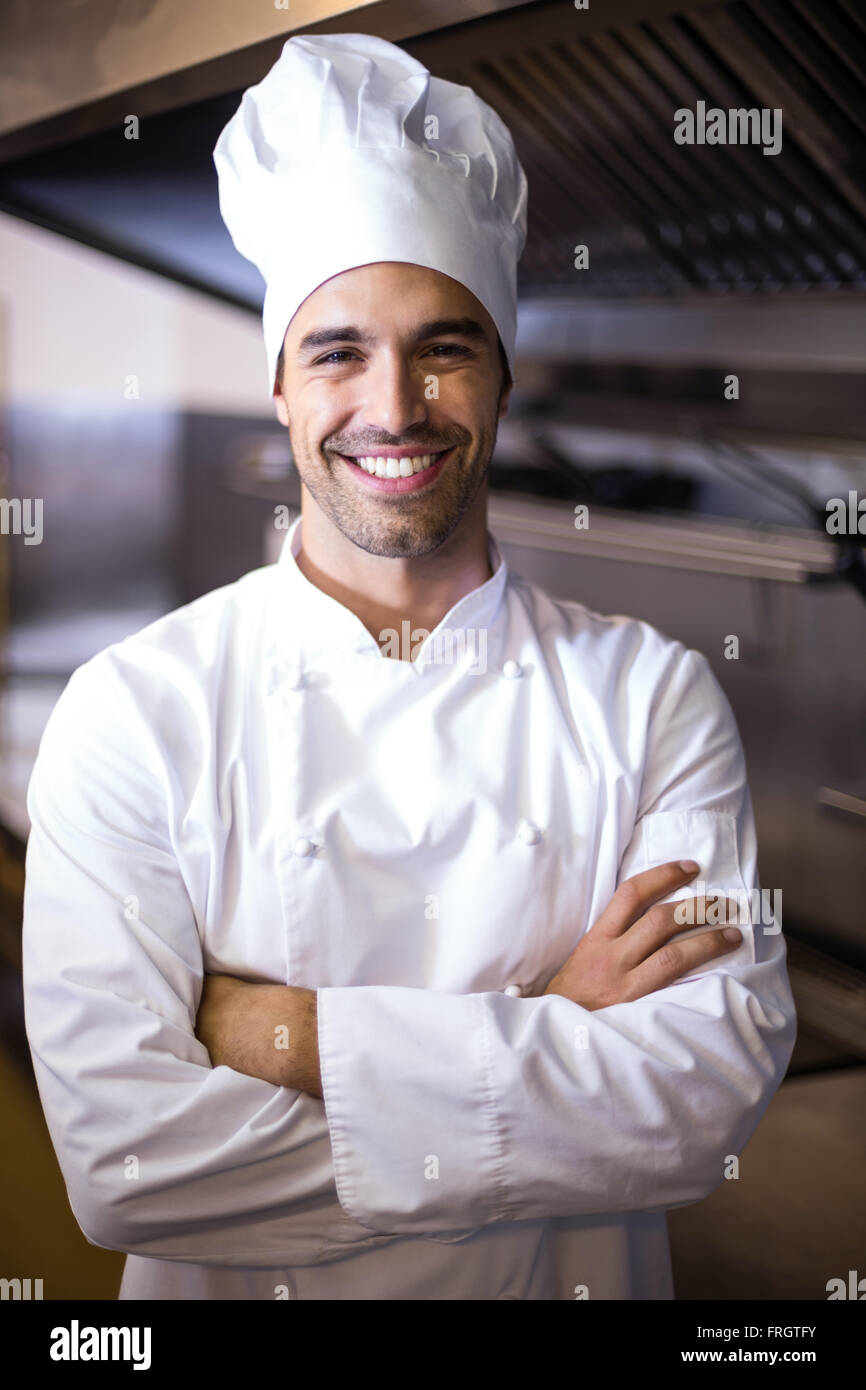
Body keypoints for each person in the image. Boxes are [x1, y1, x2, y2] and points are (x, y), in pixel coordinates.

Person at [21, 32, 796, 1301]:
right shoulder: (136, 710)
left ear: (499, 377)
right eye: (337, 351)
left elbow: (696, 1105)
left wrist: (281, 1032)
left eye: (443, 345)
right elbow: (128, 1166)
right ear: (277, 384)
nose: (393, 405)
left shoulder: (652, 699)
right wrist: (554, 1022)